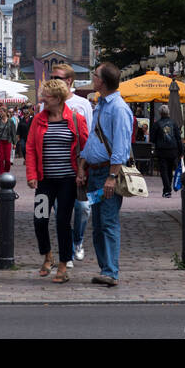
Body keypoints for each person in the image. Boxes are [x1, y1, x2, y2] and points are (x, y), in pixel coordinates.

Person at [76, 60, 134, 287]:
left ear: (103, 81)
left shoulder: (118, 108)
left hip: (107, 175)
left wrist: (112, 177)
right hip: (95, 174)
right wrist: (82, 165)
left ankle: (111, 271)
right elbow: (93, 139)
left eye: (95, 75)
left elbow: (120, 146)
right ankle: (104, 269)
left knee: (108, 222)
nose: (92, 78)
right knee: (98, 223)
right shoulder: (101, 105)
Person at [26, 79, 89, 283]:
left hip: (67, 181)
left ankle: (64, 263)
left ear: (59, 98)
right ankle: (47, 255)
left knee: (63, 221)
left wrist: (81, 171)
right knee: (39, 219)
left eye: (48, 96)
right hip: (45, 181)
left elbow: (85, 148)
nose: (43, 99)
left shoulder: (75, 119)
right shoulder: (38, 120)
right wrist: (31, 175)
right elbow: (30, 148)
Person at [48, 61, 93, 267]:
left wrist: (85, 166)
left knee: (83, 208)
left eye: (56, 78)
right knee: (61, 213)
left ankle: (78, 241)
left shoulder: (82, 104)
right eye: (51, 78)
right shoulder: (46, 103)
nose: (52, 81)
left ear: (69, 81)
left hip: (78, 167)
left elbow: (89, 137)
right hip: (56, 168)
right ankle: (66, 254)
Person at [149, 105, 183, 197]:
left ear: (160, 113)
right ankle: (167, 190)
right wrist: (181, 152)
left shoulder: (157, 124)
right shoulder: (173, 123)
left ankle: (167, 190)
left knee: (164, 171)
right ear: (168, 112)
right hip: (173, 150)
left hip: (162, 150)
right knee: (170, 170)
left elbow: (152, 139)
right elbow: (178, 138)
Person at [0, 106, 17, 177]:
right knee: (1, 159)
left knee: (7, 160)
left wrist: (14, 143)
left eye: (2, 111)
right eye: (0, 111)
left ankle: (6, 172)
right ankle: (2, 174)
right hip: (0, 141)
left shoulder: (11, 121)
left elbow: (13, 133)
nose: (0, 113)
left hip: (8, 141)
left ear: (5, 112)